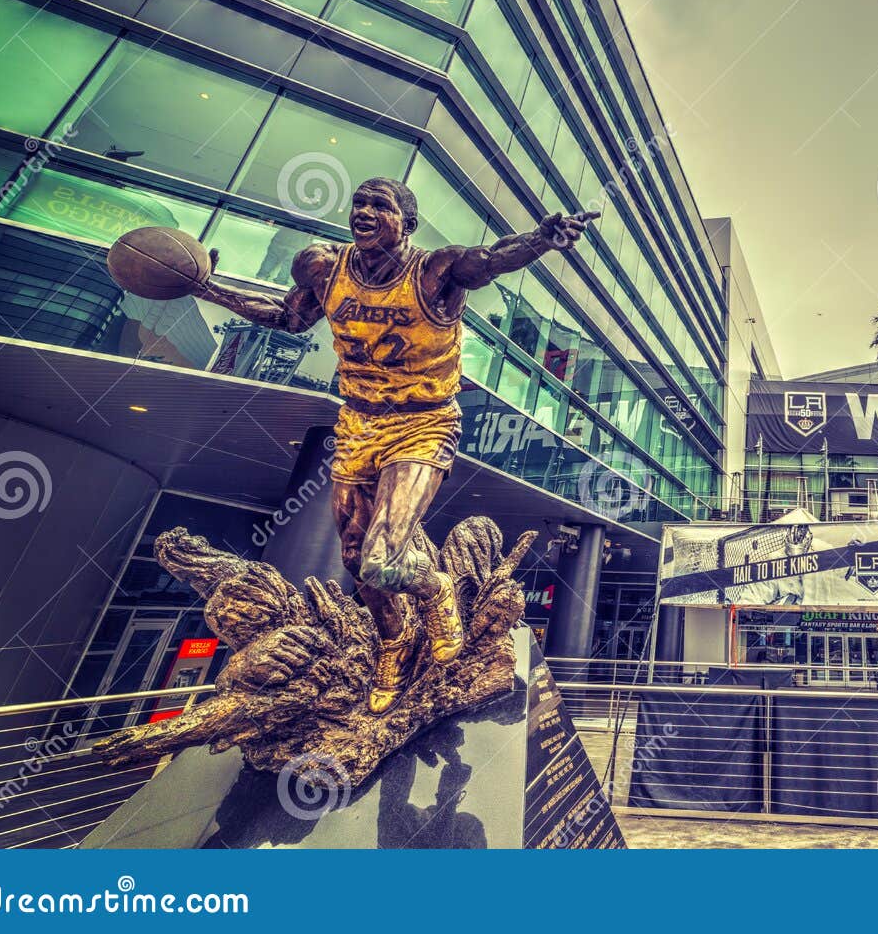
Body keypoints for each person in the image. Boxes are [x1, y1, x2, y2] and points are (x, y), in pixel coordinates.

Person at [188, 178, 594, 712]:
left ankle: (438, 592)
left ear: (408, 222)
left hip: (423, 424)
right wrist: (206, 288)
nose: (365, 212)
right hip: (358, 423)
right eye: (359, 202)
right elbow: (287, 318)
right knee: (357, 559)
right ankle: (394, 643)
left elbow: (490, 258)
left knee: (384, 558)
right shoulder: (322, 268)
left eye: (380, 205)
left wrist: (542, 240)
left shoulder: (435, 272)